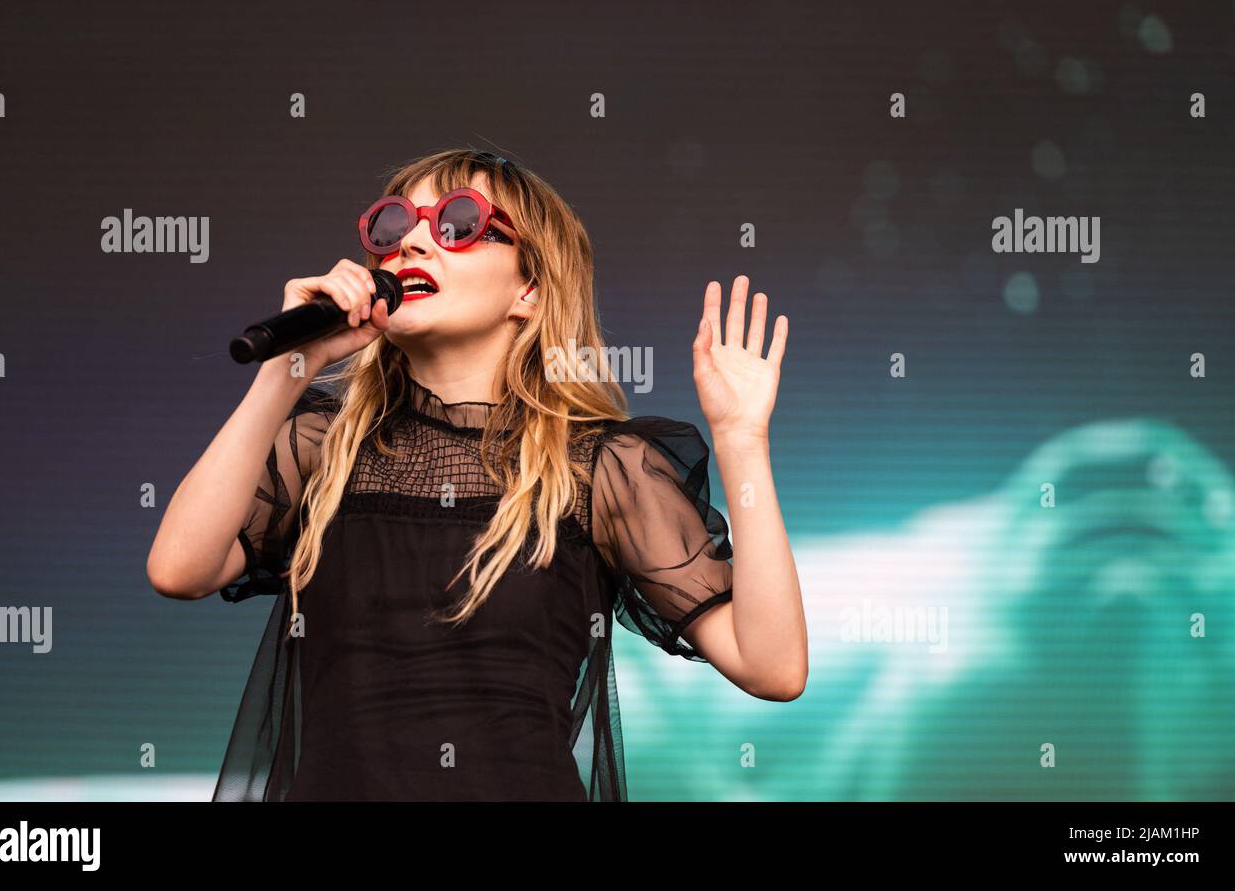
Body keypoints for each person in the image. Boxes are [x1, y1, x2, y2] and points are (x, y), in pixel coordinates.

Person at [146, 148, 807, 801]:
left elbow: (772, 666)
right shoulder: (327, 448)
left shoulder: (598, 470)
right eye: (395, 225)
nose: (412, 244)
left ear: (530, 290)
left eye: (458, 223)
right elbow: (180, 569)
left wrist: (741, 439)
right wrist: (290, 368)